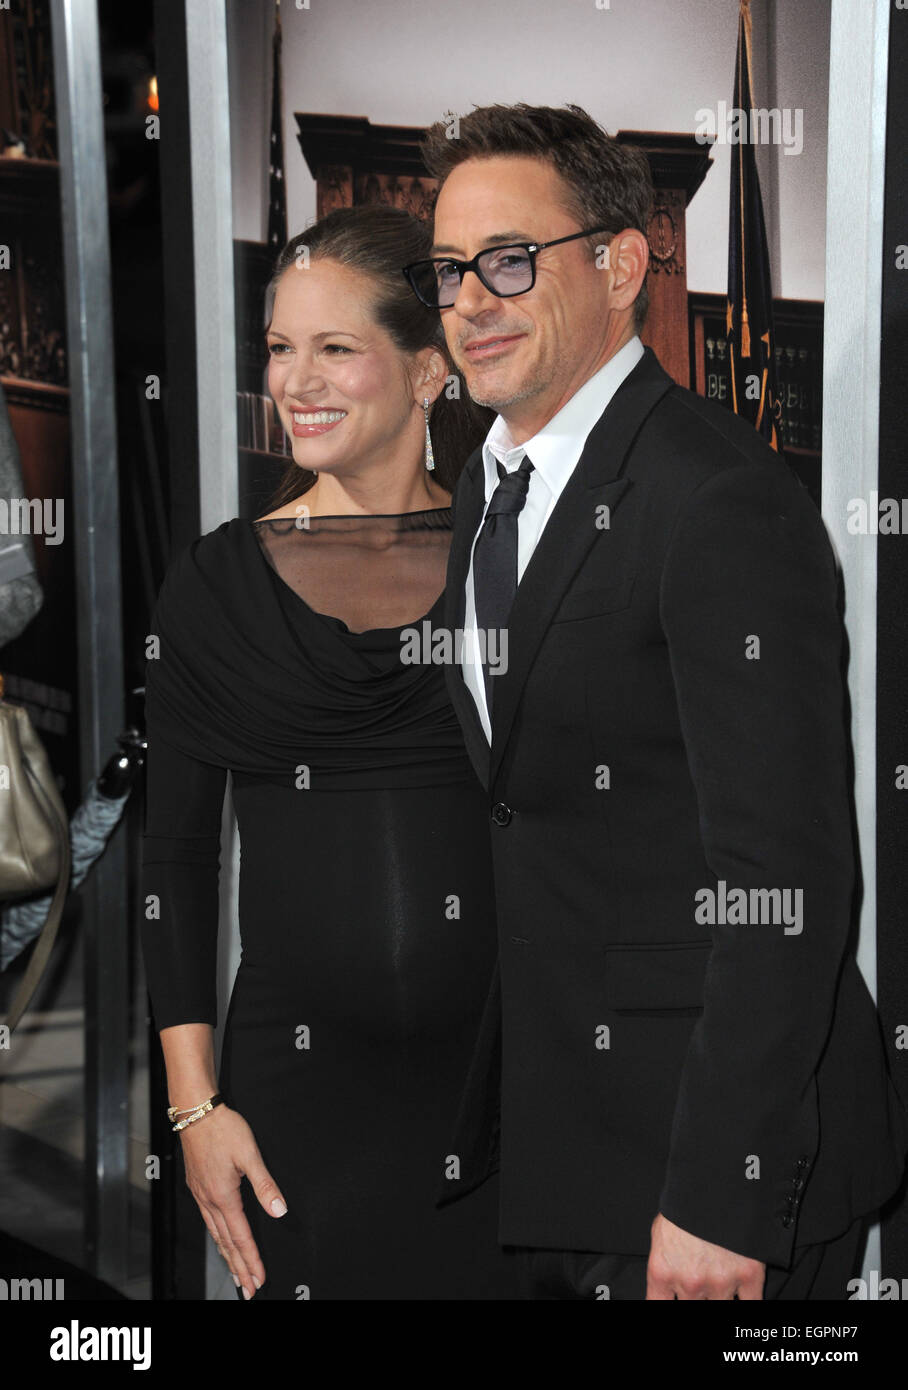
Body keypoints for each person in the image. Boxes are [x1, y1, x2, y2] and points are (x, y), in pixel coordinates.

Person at [403, 102, 908, 1300]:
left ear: (621, 265)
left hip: (706, 1181)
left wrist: (719, 1194)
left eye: (508, 262)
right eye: (445, 273)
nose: (468, 300)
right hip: (561, 1146)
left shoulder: (716, 501)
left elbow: (782, 878)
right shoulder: (487, 477)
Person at [140, 204, 519, 1300]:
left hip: (498, 1103)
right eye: (279, 348)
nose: (294, 380)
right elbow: (172, 863)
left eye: (334, 347)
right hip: (295, 1106)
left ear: (425, 370)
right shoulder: (215, 587)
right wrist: (194, 1108)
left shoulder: (512, 560)